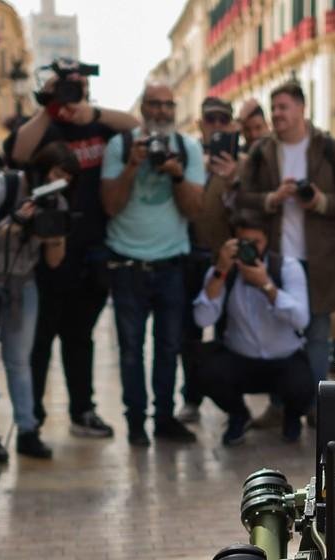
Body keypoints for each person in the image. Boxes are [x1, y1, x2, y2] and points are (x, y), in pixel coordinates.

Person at [5, 57, 138, 441]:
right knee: (40, 338)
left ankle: (83, 410)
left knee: (80, 337)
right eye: (65, 86)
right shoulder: (43, 127)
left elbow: (135, 125)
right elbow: (17, 151)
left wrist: (90, 110)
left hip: (91, 252)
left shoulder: (99, 125)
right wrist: (50, 108)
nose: (70, 94)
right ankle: (32, 418)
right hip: (45, 251)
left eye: (76, 87)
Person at [235, 81, 335, 390]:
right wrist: (272, 198)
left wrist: (321, 201)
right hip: (278, 257)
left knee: (319, 335)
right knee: (281, 332)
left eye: (283, 107)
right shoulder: (261, 151)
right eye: (274, 108)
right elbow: (242, 198)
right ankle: (283, 407)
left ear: (301, 108)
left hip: (320, 258)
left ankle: (317, 404)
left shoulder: (329, 148)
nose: (277, 114)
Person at [0, 141, 77, 463]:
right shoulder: (6, 184)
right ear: (41, 168)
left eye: (67, 177)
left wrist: (55, 235)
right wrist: (10, 226)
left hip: (22, 286)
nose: (59, 181)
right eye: (56, 173)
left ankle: (27, 430)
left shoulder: (58, 203)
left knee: (20, 361)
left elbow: (53, 261)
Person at [101, 79, 206, 447]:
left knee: (168, 347)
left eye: (168, 105)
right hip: (127, 265)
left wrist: (176, 175)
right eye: (154, 104)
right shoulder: (120, 146)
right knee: (130, 350)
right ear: (143, 109)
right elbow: (110, 205)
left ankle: (164, 418)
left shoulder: (188, 149)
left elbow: (194, 209)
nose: (161, 111)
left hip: (171, 265)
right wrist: (132, 165)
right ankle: (135, 424)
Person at [192, 216, 313, 446]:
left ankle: (292, 416)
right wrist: (219, 272)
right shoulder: (224, 271)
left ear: (267, 241)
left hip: (284, 360)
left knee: (304, 384)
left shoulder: (286, 267)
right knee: (205, 371)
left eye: (255, 243)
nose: (249, 249)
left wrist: (267, 285)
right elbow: (202, 318)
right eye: (242, 242)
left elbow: (301, 319)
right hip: (240, 359)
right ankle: (238, 415)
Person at [183, 95, 241, 424]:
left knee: (226, 333)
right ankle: (190, 398)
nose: (217, 125)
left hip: (226, 260)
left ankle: (228, 402)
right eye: (211, 119)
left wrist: (233, 177)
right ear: (200, 124)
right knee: (188, 333)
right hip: (190, 257)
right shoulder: (188, 158)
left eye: (223, 119)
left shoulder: (241, 162)